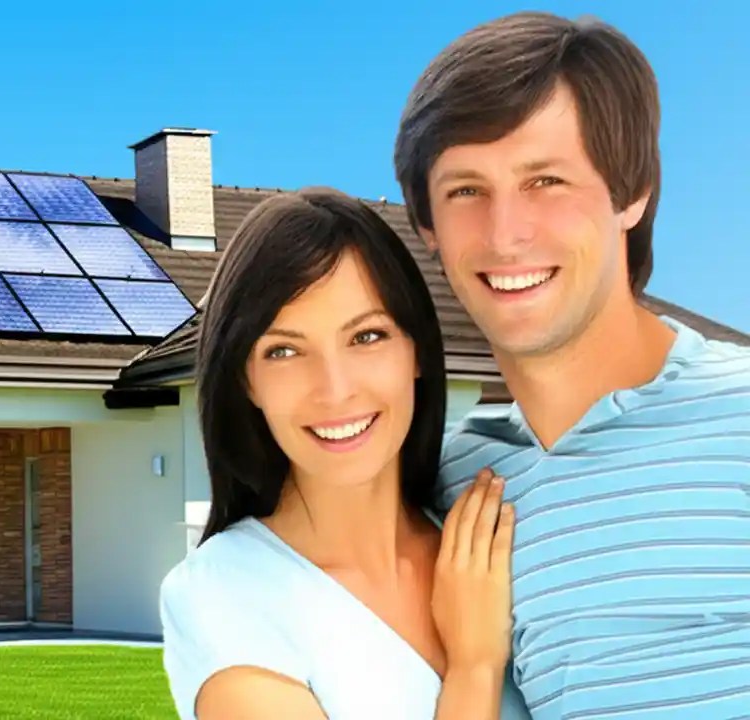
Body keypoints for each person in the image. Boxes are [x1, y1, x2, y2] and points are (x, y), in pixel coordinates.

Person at [394, 11, 750, 719]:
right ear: (427, 226)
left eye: (546, 181)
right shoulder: (448, 489)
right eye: (466, 190)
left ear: (632, 193)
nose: (505, 233)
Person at [158, 187, 533, 719]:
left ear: (417, 351)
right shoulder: (224, 595)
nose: (335, 390)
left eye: (367, 337)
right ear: (246, 380)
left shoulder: (491, 536)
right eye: (284, 350)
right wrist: (474, 666)